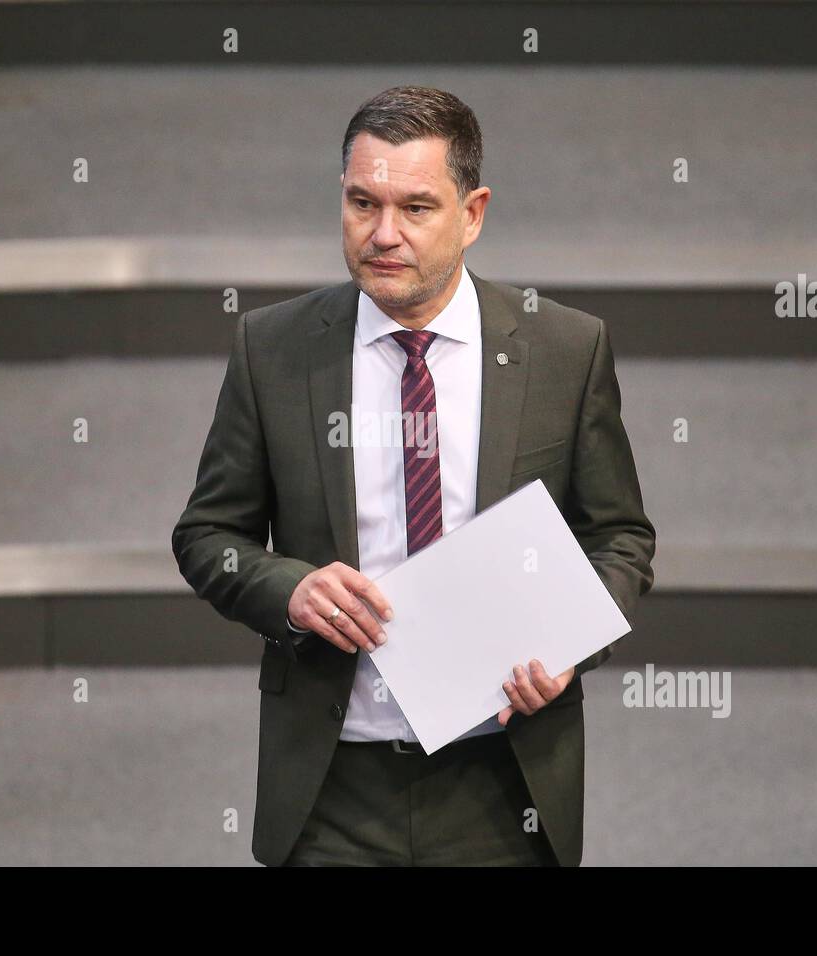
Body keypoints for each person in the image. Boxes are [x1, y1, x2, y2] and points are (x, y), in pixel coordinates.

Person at [172, 85, 655, 866]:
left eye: (416, 209)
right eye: (363, 203)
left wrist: (569, 646)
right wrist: (287, 592)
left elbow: (620, 537)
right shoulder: (275, 349)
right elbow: (207, 536)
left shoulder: (566, 350)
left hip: (503, 782)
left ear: (473, 214)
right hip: (332, 783)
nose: (383, 234)